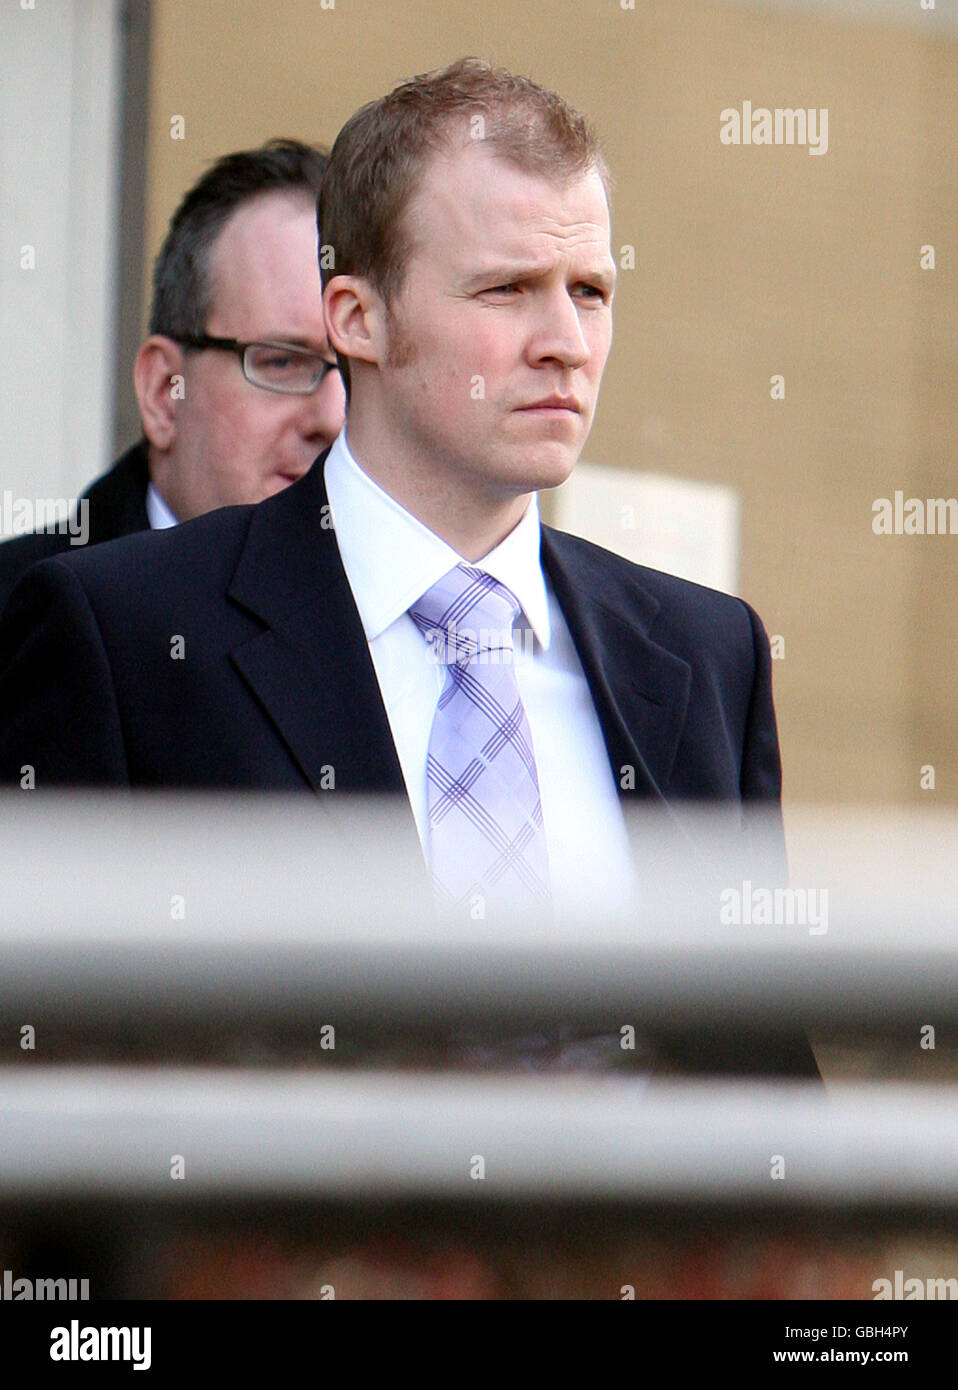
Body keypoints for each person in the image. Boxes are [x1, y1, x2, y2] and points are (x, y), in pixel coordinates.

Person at [0, 60, 812, 1073]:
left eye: (591, 291)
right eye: (506, 288)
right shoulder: (121, 633)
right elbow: (54, 1101)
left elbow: (765, 1090)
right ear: (356, 318)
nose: (565, 342)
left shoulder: (704, 652)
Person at [0, 139, 346, 613]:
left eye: (357, 371)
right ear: (164, 393)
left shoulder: (418, 613)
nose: (333, 417)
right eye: (282, 362)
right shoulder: (24, 615)